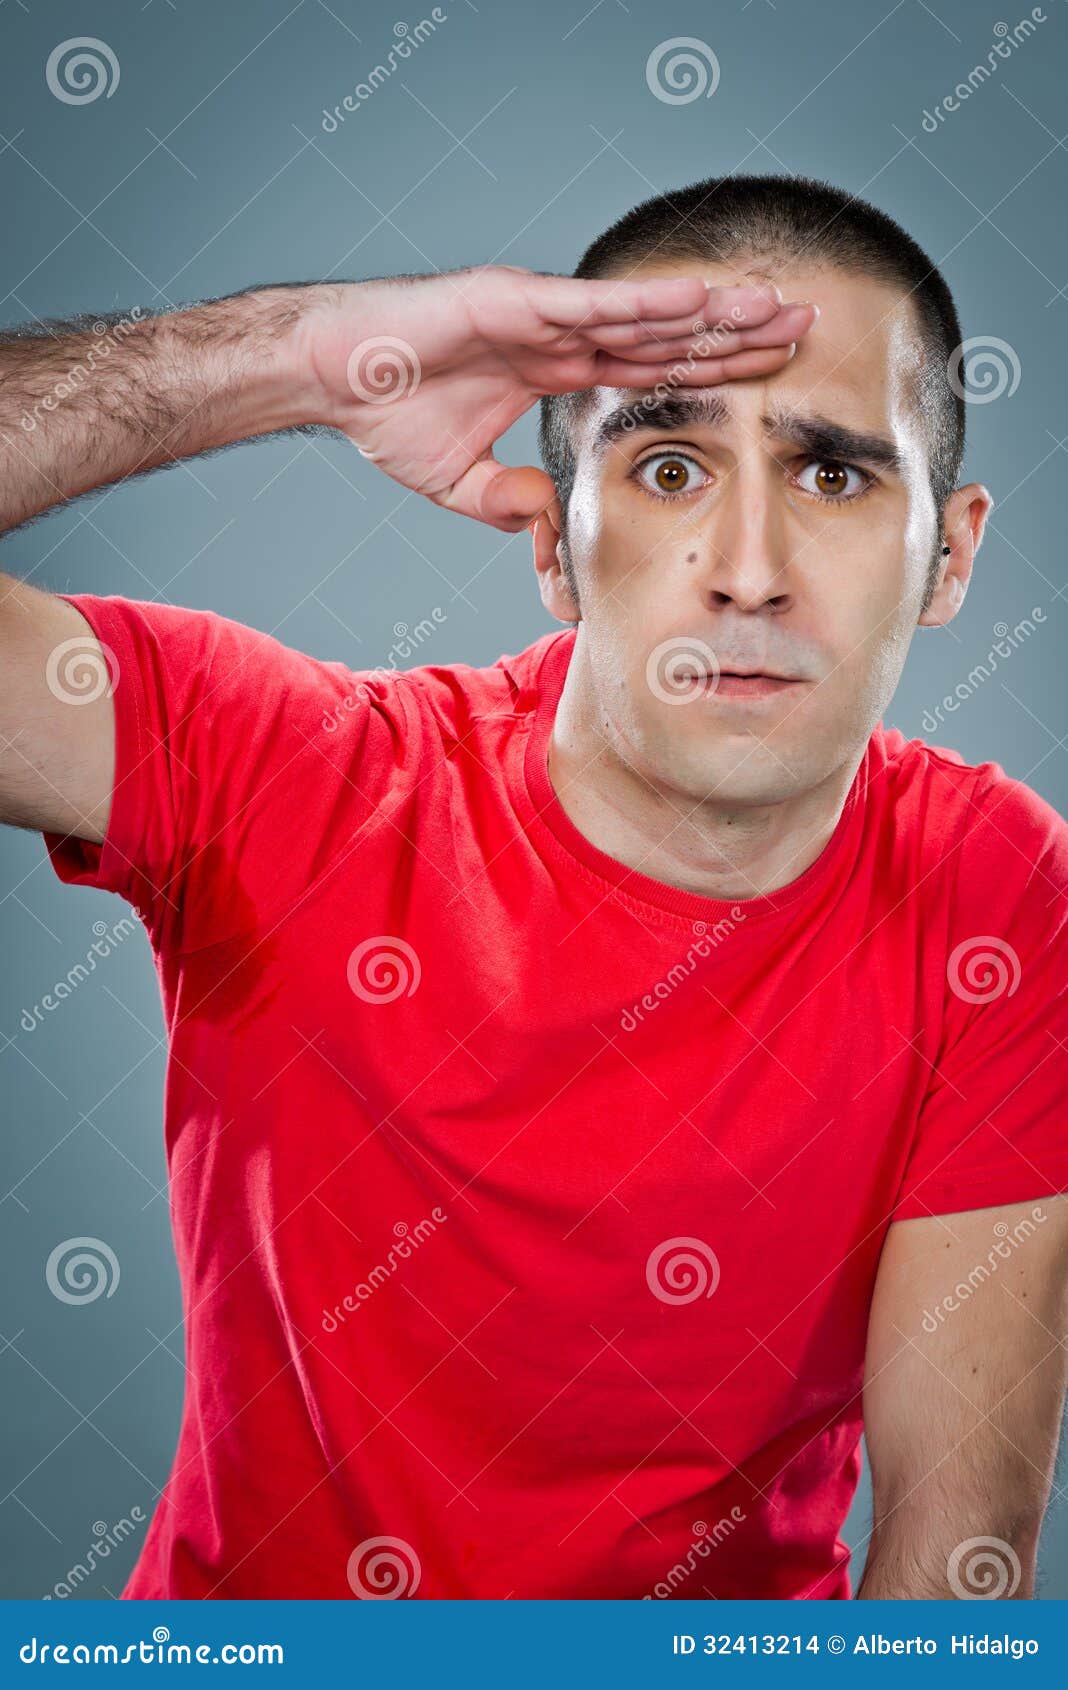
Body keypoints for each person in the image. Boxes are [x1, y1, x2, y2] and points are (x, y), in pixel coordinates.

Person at [2, 172, 1066, 1602]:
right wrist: (306, 354)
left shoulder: (994, 887)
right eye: (670, 468)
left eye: (834, 474)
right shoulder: (288, 774)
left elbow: (950, 1571)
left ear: (952, 555)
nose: (747, 571)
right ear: (555, 543)